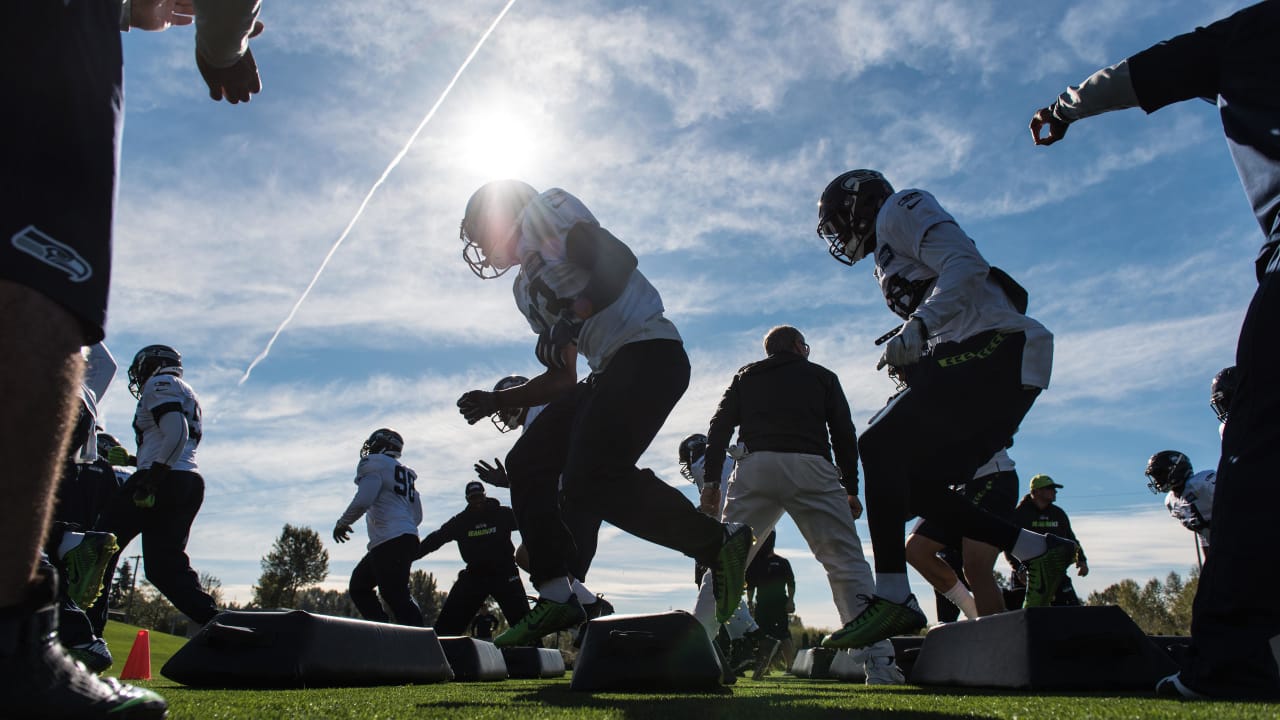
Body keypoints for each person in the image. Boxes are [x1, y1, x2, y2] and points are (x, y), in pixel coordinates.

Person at [0, 0, 262, 713]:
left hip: (166, 479)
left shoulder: (164, 389)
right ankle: (40, 636)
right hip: (174, 477)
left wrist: (140, 472)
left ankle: (66, 629)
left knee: (97, 544)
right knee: (146, 559)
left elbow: (168, 432)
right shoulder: (171, 389)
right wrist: (222, 39)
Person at [1028, 2, 1280, 700]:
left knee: (1259, 466)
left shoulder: (1253, 32)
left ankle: (1232, 662)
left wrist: (1063, 109)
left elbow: (1134, 74)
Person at [454, 180, 752, 646]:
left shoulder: (544, 217)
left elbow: (616, 259)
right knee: (528, 461)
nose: (479, 244)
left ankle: (718, 543)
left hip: (650, 351)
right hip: (607, 370)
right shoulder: (524, 287)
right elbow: (562, 379)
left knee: (588, 479)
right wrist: (499, 401)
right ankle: (557, 591)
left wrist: (575, 315)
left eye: (479, 228)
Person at [814, 169, 1074, 651]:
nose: (838, 235)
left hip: (1000, 344)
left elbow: (965, 262)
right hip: (989, 359)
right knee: (910, 486)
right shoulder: (884, 259)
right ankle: (1035, 549)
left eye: (837, 221)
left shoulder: (901, 208)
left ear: (859, 204)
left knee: (877, 444)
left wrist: (919, 326)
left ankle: (894, 594)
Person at [697, 325, 903, 683]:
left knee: (726, 563)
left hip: (754, 466)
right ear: (797, 345)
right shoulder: (822, 376)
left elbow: (719, 427)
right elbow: (843, 433)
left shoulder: (745, 376)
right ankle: (881, 663)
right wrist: (851, 487)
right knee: (845, 561)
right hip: (812, 467)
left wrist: (712, 482)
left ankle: (695, 653)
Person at [95, 345, 221, 630]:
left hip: (163, 478)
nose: (139, 377)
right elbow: (174, 440)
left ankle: (84, 631)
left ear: (152, 365)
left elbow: (177, 432)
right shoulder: (186, 391)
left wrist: (151, 479)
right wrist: (133, 459)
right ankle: (216, 622)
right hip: (188, 480)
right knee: (165, 568)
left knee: (97, 549)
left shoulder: (159, 383)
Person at [472, 374, 612, 627]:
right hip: (578, 492)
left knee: (546, 563)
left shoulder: (541, 412)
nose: (502, 416)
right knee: (531, 557)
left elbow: (550, 466)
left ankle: (587, 610)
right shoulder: (537, 420)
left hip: (576, 495)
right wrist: (508, 482)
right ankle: (590, 607)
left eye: (505, 408)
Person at [906, 449, 1020, 620]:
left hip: (991, 475)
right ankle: (973, 614)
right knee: (915, 551)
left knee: (976, 565)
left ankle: (997, 638)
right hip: (957, 486)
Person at [679, 434, 761, 670]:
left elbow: (712, 503)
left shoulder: (699, 462)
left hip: (728, 527)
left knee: (716, 579)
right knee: (722, 580)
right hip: (749, 518)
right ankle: (745, 639)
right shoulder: (725, 460)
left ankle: (749, 636)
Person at [333, 428, 424, 626]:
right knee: (360, 586)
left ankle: (422, 644)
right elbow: (417, 515)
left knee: (395, 594)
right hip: (404, 537)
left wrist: (343, 523)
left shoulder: (374, 464)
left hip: (390, 539)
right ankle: (382, 631)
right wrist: (402, 528)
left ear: (382, 445)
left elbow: (363, 499)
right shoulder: (405, 473)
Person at [416, 482, 529, 637]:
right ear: (467, 499)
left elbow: (529, 519)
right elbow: (436, 538)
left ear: (485, 495)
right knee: (445, 627)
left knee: (525, 625)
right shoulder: (461, 521)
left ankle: (534, 653)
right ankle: (439, 654)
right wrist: (411, 555)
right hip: (475, 575)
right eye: (473, 498)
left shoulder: (502, 514)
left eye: (479, 497)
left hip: (504, 572)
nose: (477, 502)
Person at [1003, 475, 1088, 608]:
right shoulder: (1019, 514)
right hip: (1027, 575)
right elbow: (1007, 543)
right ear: (1036, 492)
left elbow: (1071, 539)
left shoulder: (1058, 514)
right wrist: (1018, 568)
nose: (1055, 492)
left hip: (1056, 573)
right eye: (1050, 488)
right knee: (1024, 616)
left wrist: (1081, 560)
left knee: (1072, 612)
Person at [1146, 451, 1215, 562]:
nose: (1157, 480)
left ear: (1176, 469)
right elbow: (1203, 533)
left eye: (1159, 474)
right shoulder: (1171, 502)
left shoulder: (1202, 483)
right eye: (1155, 476)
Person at [745, 532, 796, 679]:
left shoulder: (782, 562)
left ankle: (790, 668)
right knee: (763, 636)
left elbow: (791, 583)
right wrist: (749, 603)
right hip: (762, 606)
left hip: (780, 604)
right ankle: (764, 668)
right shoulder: (756, 564)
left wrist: (790, 600)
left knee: (784, 634)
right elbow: (750, 586)